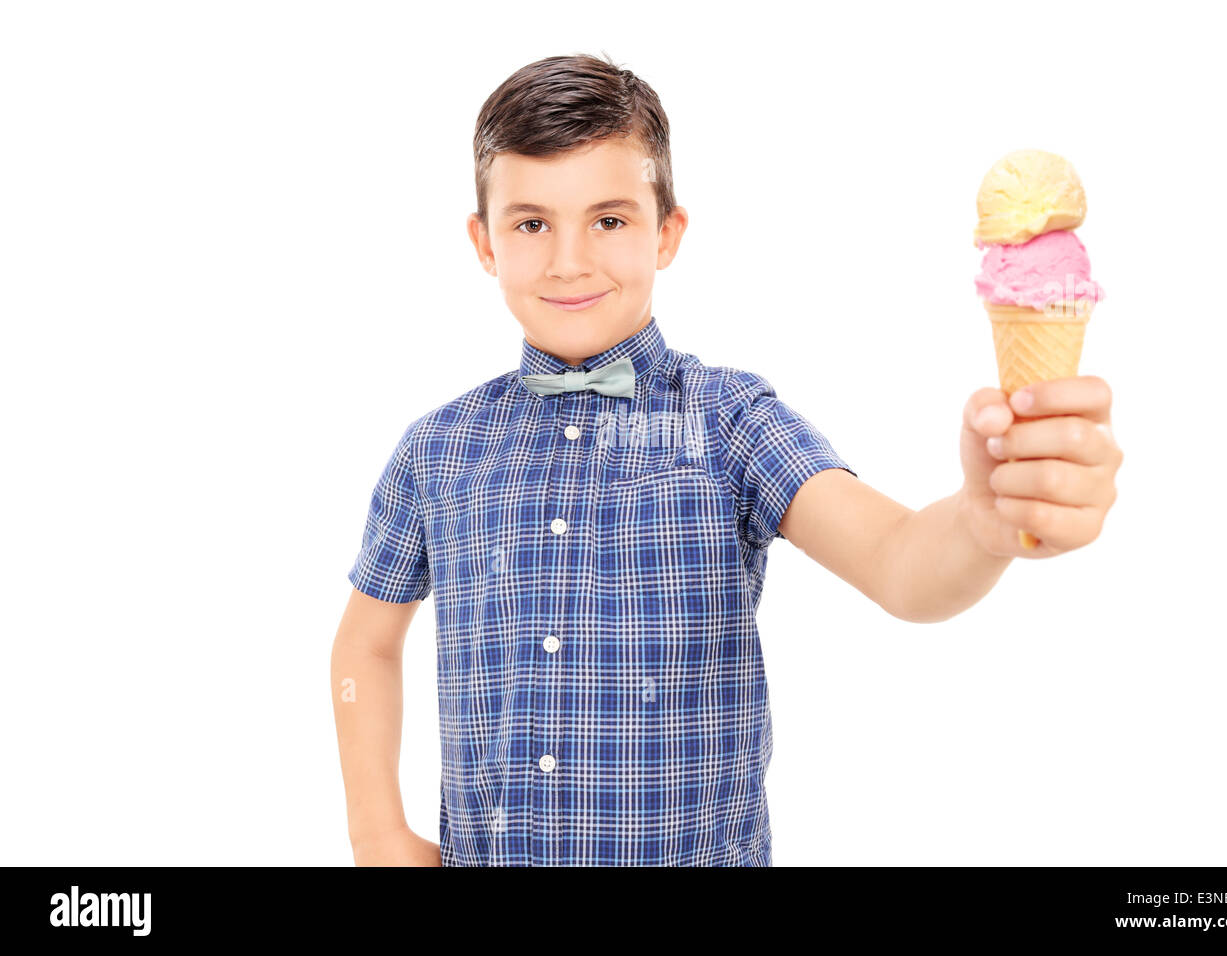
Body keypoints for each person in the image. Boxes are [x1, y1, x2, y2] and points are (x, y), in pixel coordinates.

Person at [330, 52, 1124, 866]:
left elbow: (899, 563)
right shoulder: (438, 450)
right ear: (484, 242)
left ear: (667, 232)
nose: (568, 260)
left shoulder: (732, 422)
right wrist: (377, 832)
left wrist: (978, 520)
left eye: (610, 219)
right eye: (532, 223)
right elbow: (365, 647)